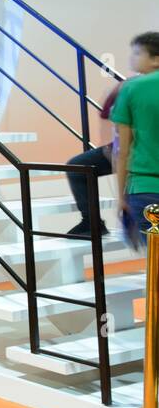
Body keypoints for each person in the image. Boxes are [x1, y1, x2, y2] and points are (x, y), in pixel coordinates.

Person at [110, 32, 159, 250]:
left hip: (145, 187)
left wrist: (121, 197)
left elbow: (122, 150)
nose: (132, 57)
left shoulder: (131, 88)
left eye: (138, 53)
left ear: (156, 59)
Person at [65, 78, 127, 238]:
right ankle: (91, 222)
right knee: (77, 167)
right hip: (136, 148)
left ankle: (91, 222)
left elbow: (106, 111)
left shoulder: (132, 85)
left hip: (134, 148)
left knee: (77, 167)